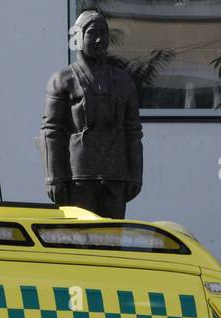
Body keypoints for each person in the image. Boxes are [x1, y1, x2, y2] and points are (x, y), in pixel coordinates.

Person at [39, 10, 144, 219]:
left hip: (116, 175)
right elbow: (51, 131)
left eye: (104, 33)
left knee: (112, 239)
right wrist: (54, 177)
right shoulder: (63, 80)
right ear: (78, 37)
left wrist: (136, 175)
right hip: (78, 177)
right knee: (81, 239)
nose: (99, 39)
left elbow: (133, 131)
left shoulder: (123, 81)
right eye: (92, 33)